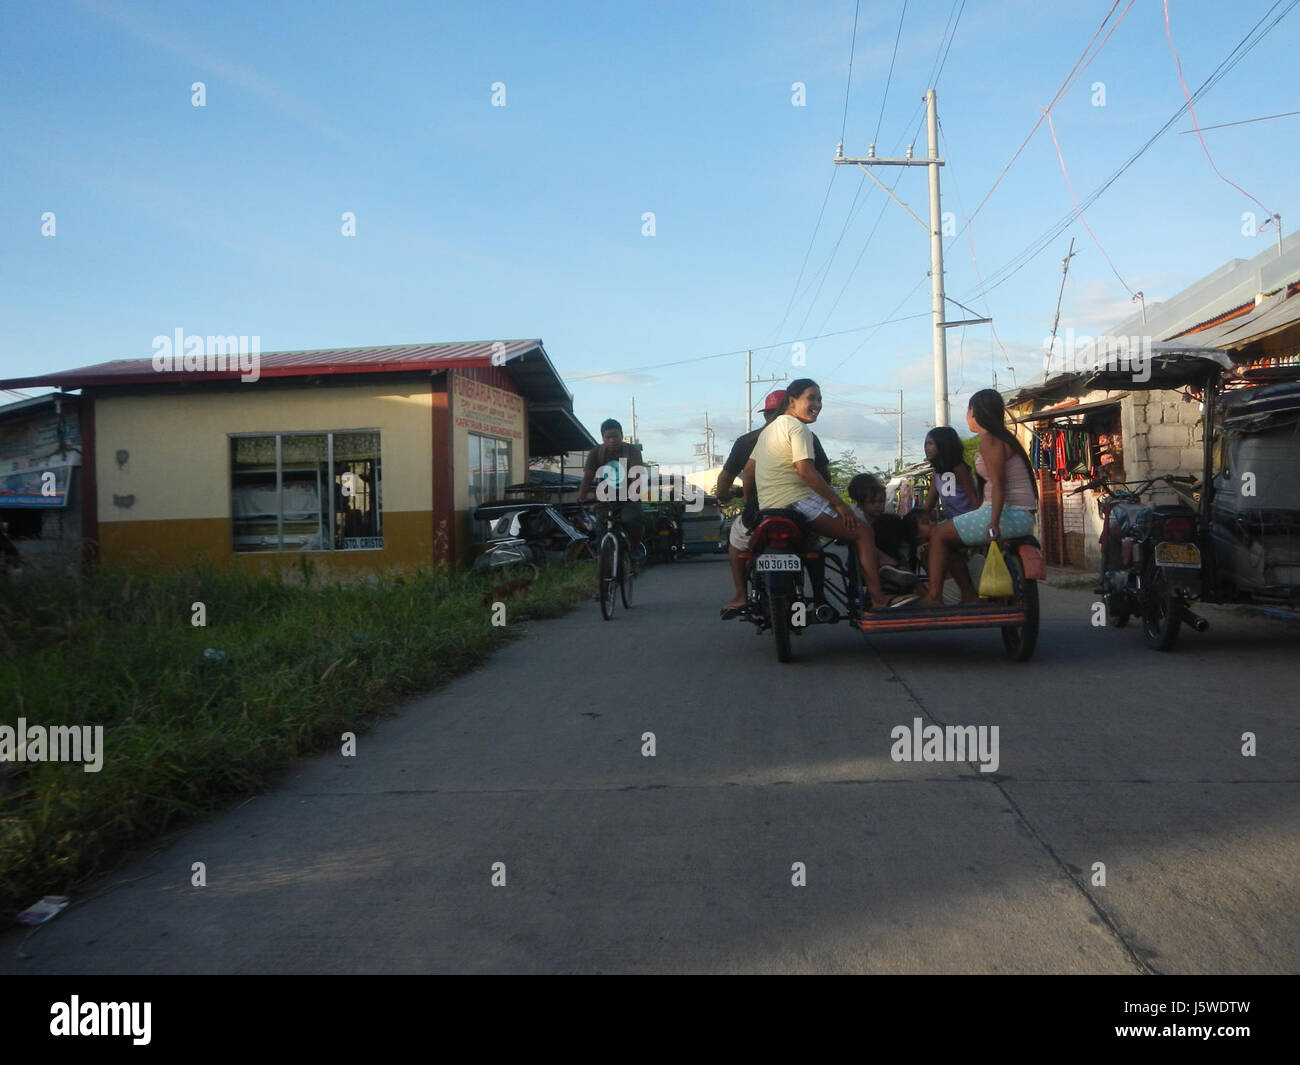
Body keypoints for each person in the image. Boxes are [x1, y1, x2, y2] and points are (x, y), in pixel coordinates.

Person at [742, 378, 917, 612]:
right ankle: (878, 598)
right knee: (862, 531)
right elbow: (805, 471)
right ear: (792, 402)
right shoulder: (798, 428)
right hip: (797, 501)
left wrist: (749, 503)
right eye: (811, 398)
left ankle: (885, 564)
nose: (818, 404)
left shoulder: (768, 431)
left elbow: (749, 470)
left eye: (820, 399)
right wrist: (839, 504)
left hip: (769, 508)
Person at [717, 389, 832, 617]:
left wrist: (724, 495)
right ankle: (820, 598)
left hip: (760, 513)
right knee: (813, 546)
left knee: (735, 543)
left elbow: (729, 478)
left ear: (767, 414)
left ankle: (741, 595)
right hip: (798, 509)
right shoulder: (805, 434)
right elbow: (823, 477)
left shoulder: (747, 441)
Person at [920, 389, 1038, 607]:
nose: (967, 416)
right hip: (1017, 514)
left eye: (968, 410)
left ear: (974, 412)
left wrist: (993, 522)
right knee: (947, 540)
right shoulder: (1001, 438)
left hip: (1008, 514)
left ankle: (934, 596)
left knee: (937, 535)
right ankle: (967, 593)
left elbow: (999, 484)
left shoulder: (990, 440)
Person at [578, 419, 645, 558]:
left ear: (621, 435)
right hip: (605, 499)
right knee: (601, 530)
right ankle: (602, 562)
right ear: (603, 438)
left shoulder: (632, 451)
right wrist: (582, 496)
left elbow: (635, 475)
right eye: (608, 437)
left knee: (633, 520)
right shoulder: (596, 453)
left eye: (615, 436)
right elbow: (588, 476)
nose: (612, 440)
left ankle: (633, 549)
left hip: (628, 498)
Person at [922, 426, 980, 520]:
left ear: (943, 444)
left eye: (930, 443)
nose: (926, 448)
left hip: (968, 520)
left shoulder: (959, 468)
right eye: (926, 444)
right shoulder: (937, 471)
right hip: (952, 521)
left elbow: (974, 499)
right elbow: (929, 503)